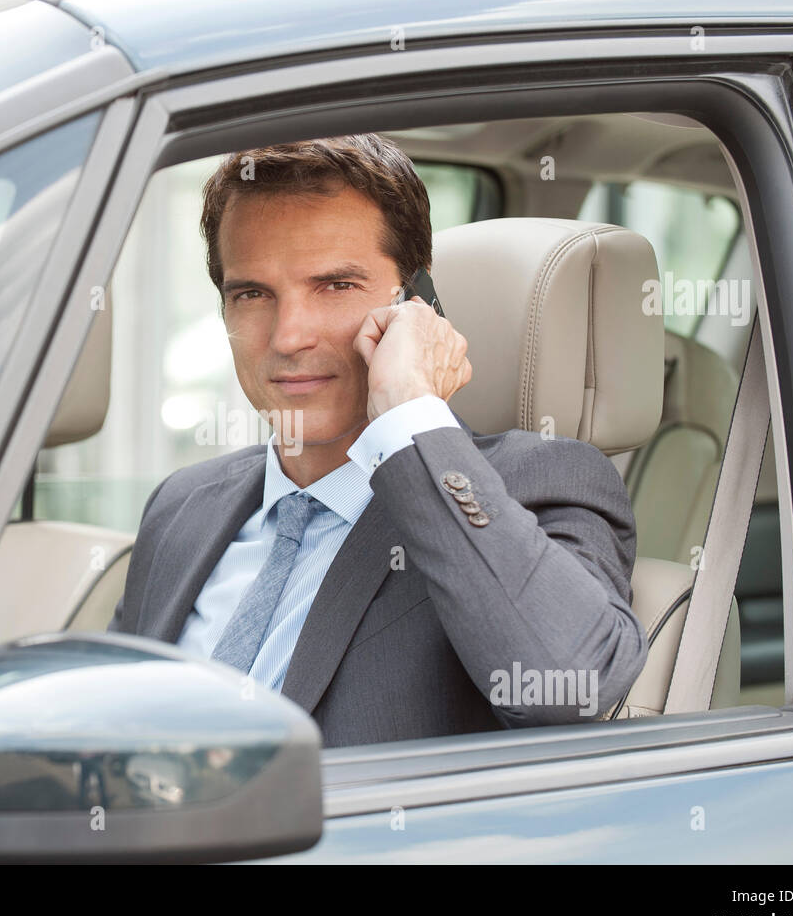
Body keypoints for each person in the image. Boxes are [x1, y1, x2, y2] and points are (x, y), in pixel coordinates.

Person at [108, 134, 647, 747]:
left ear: (418, 304)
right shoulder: (182, 505)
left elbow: (568, 685)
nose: (289, 337)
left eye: (336, 286)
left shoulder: (539, 485)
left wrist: (412, 414)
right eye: (253, 294)